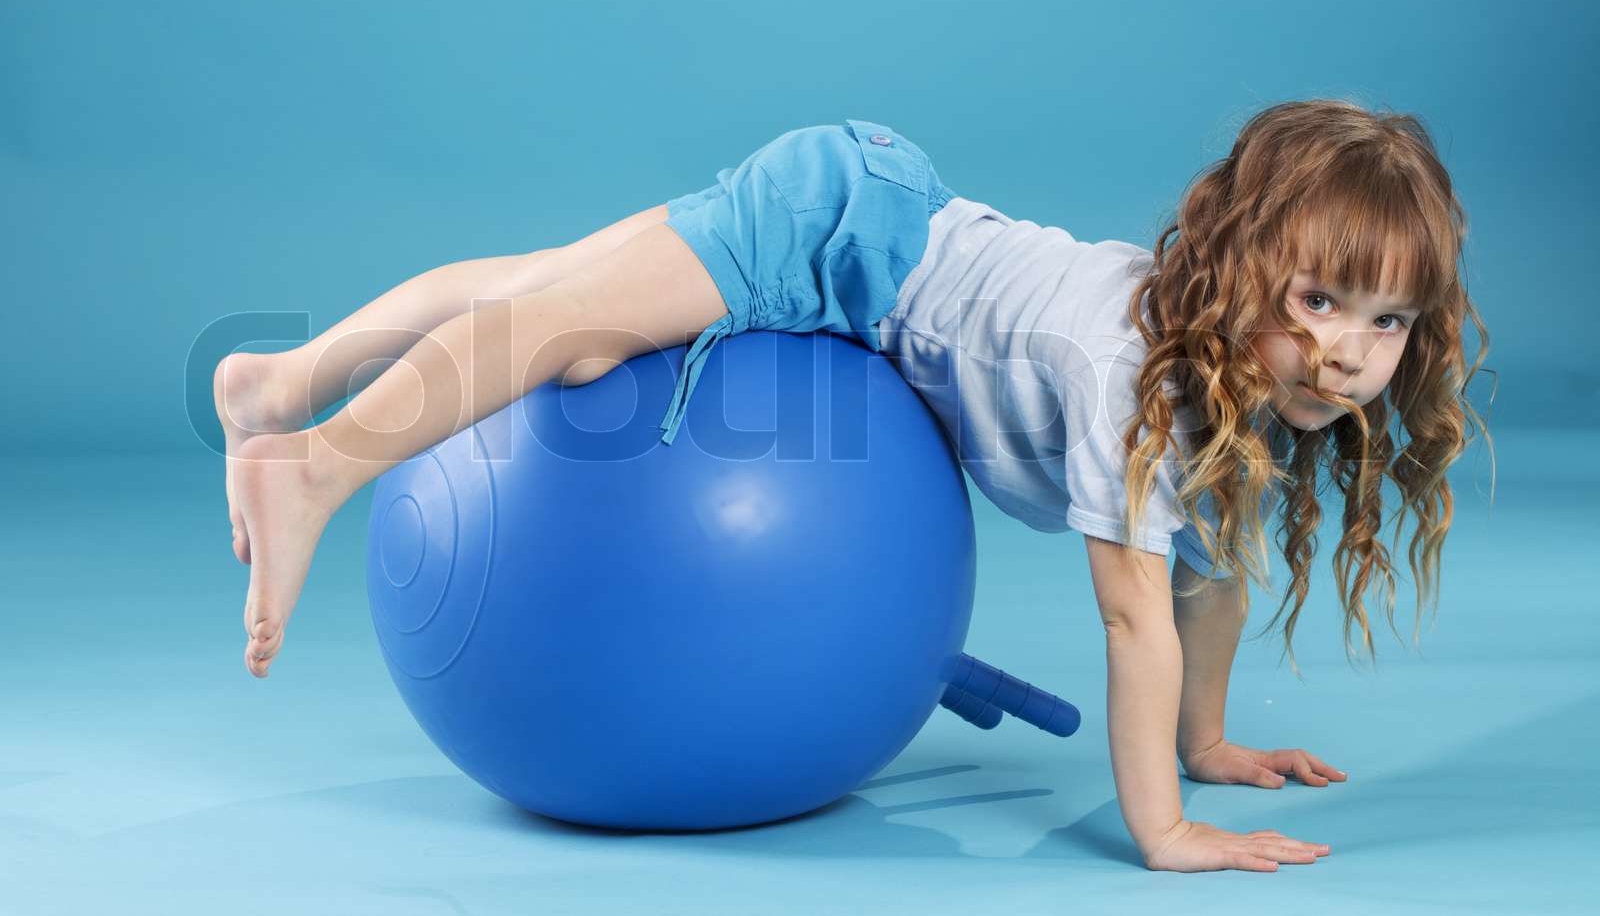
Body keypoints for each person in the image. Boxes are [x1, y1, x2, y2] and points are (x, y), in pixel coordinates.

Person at [212, 100, 1492, 872]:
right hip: (835, 229)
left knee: (542, 284)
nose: (1346, 350)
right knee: (571, 335)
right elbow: (1132, 614)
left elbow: (1211, 577)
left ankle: (277, 383)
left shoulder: (1227, 389)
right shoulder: (1131, 383)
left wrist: (1203, 746)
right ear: (1240, 263)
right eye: (1317, 300)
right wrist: (1161, 829)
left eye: (1386, 320)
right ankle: (315, 465)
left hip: (872, 209)